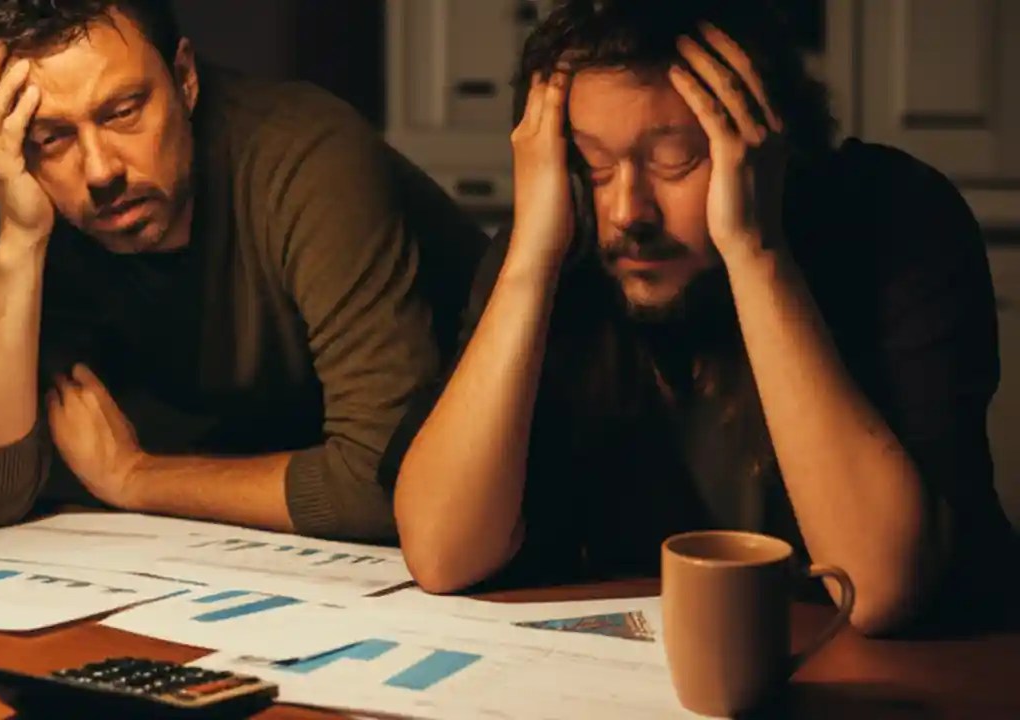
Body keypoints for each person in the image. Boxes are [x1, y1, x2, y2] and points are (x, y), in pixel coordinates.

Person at [383, 0, 1016, 636]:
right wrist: (528, 261)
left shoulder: (897, 219)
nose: (629, 211)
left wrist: (756, 252)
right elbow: (443, 553)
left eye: (675, 160)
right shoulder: (558, 247)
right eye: (594, 166)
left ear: (768, 143)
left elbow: (880, 588)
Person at [0, 0, 486, 540]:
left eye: (123, 112)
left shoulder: (307, 159)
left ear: (185, 78)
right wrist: (19, 241)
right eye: (53, 137)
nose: (99, 171)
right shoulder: (39, 202)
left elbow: (385, 484)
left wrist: (135, 477)